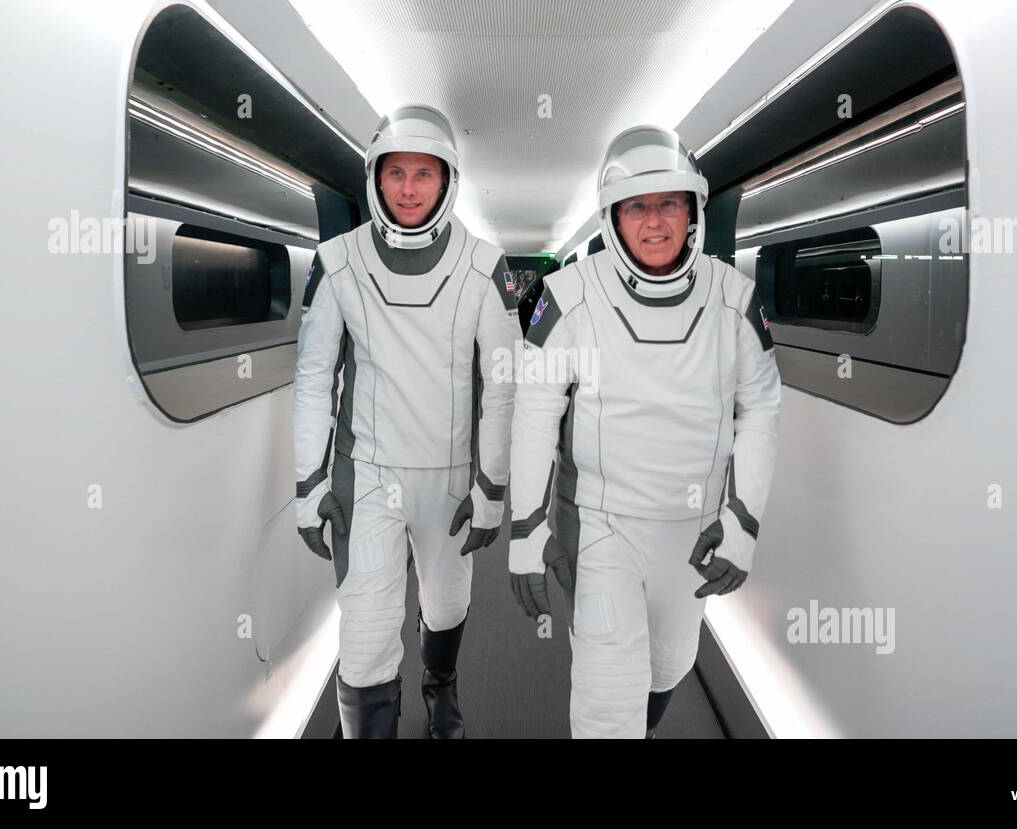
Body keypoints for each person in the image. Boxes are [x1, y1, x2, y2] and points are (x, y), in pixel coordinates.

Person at [507, 125, 781, 738]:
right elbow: (534, 414)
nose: (654, 222)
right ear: (612, 217)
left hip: (695, 530)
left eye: (669, 203)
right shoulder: (567, 296)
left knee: (667, 668)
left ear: (692, 211)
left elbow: (761, 409)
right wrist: (527, 528)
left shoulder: (735, 300)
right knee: (608, 701)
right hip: (603, 526)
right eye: (637, 206)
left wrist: (744, 521)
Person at [293, 104, 519, 738]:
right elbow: (314, 380)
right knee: (364, 641)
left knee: (446, 606)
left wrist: (491, 488)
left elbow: (500, 388)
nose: (411, 188)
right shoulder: (337, 261)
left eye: (425, 173)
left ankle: (440, 686)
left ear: (447, 181)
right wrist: (309, 486)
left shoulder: (483, 264)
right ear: (376, 178)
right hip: (367, 477)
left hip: (450, 481)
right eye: (397, 173)